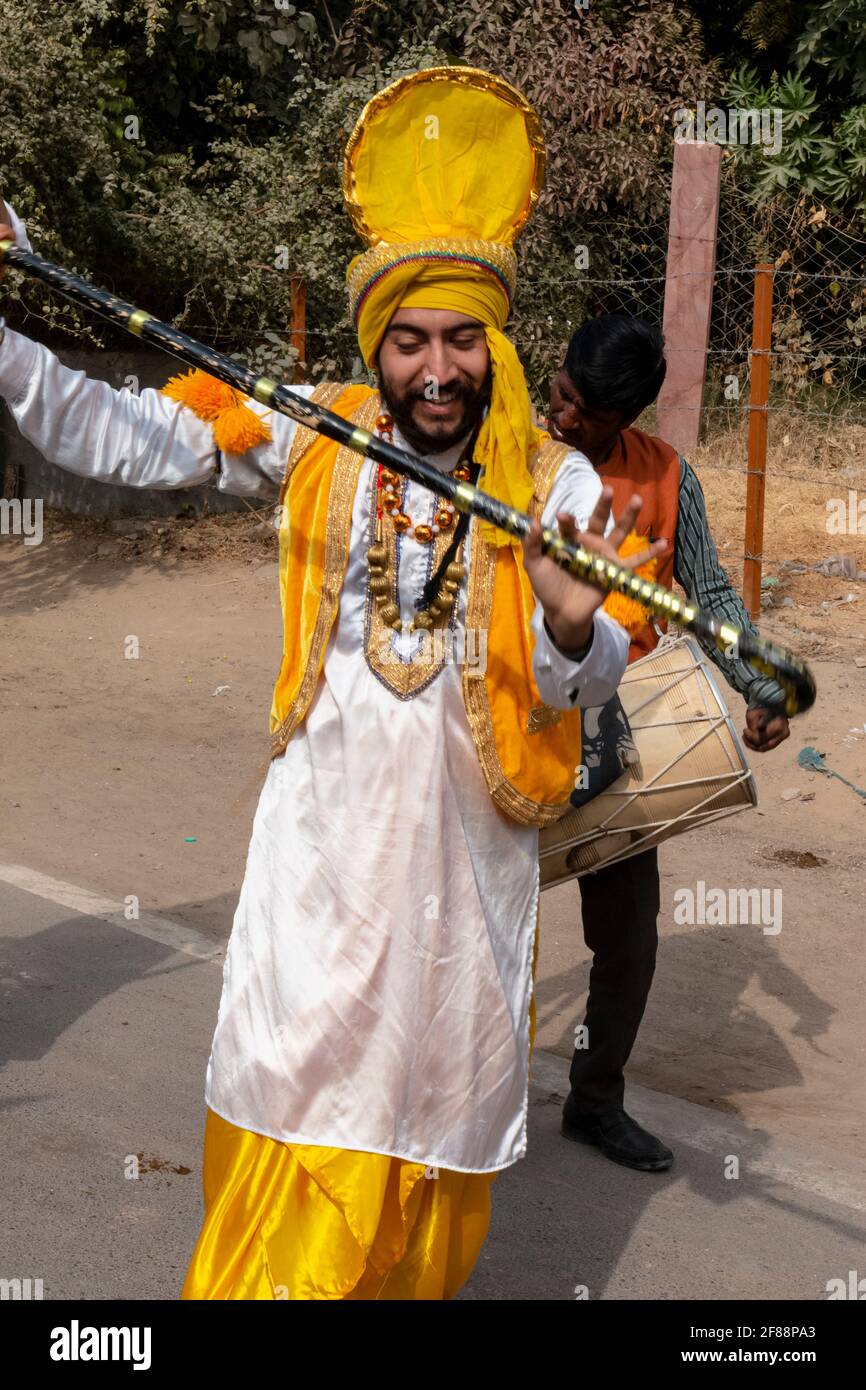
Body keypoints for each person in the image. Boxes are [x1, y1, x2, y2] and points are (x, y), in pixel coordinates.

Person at [0, 72, 664, 1299]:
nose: (436, 368)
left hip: (458, 894)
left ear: (493, 345)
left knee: (417, 1138)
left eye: (462, 339)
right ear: (377, 346)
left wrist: (574, 633)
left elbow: (583, 682)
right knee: (294, 1132)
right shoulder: (316, 436)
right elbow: (127, 435)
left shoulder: (556, 490)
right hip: (316, 880)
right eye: (409, 340)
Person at [547, 313, 790, 1173]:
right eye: (560, 394)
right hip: (517, 716)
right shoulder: (512, 460)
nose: (562, 420)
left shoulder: (664, 474)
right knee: (484, 920)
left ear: (629, 416)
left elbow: (711, 591)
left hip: (624, 733)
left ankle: (594, 1100)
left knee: (630, 937)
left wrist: (761, 686)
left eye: (583, 413)